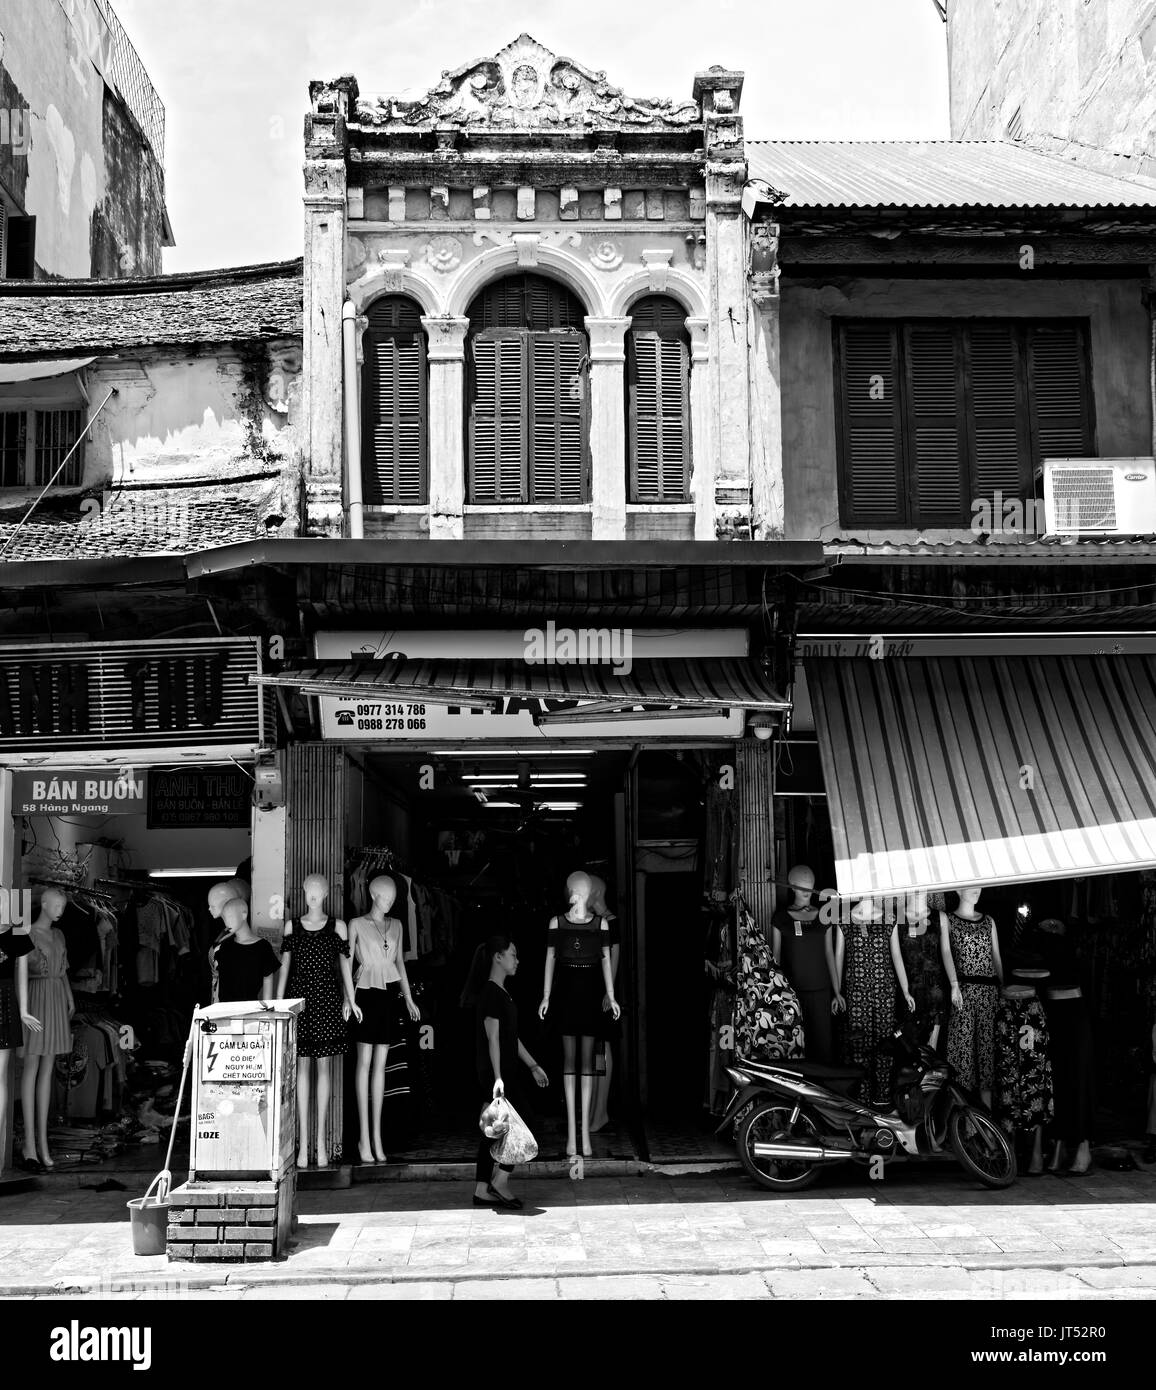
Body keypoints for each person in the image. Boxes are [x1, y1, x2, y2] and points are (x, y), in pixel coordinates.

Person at [461, 934, 548, 1209]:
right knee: (527, 1124)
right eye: (513, 954)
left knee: (493, 1130)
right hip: (496, 1074)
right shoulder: (490, 993)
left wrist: (533, 1065)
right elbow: (493, 1038)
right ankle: (498, 1182)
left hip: (503, 1072)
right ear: (498, 957)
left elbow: (511, 1038)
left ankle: (481, 1189)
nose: (517, 960)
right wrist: (498, 1077)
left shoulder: (501, 992)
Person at [213, 898, 281, 1004]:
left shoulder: (263, 947)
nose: (227, 922)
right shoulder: (225, 946)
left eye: (230, 916)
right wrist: (214, 1009)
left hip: (250, 1012)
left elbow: (268, 986)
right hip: (224, 1012)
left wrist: (267, 1013)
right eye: (224, 918)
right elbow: (220, 985)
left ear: (244, 914)